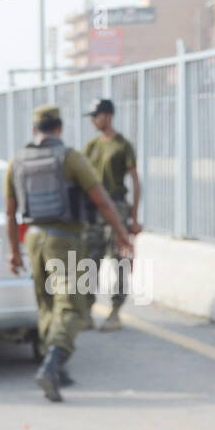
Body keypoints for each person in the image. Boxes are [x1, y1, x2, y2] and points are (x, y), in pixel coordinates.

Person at [5, 104, 132, 402]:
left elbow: (9, 213)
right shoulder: (70, 158)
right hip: (65, 238)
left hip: (33, 238)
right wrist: (122, 232)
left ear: (35, 130)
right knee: (73, 305)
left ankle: (56, 369)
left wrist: (15, 252)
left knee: (47, 304)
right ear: (59, 128)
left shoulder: (17, 161)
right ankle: (52, 364)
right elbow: (101, 200)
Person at [82, 98, 142, 331]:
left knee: (119, 261)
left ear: (107, 116)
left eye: (95, 116)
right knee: (90, 260)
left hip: (116, 207)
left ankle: (115, 311)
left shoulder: (122, 146)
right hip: (95, 210)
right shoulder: (91, 146)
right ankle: (87, 310)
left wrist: (134, 218)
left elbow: (136, 182)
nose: (93, 121)